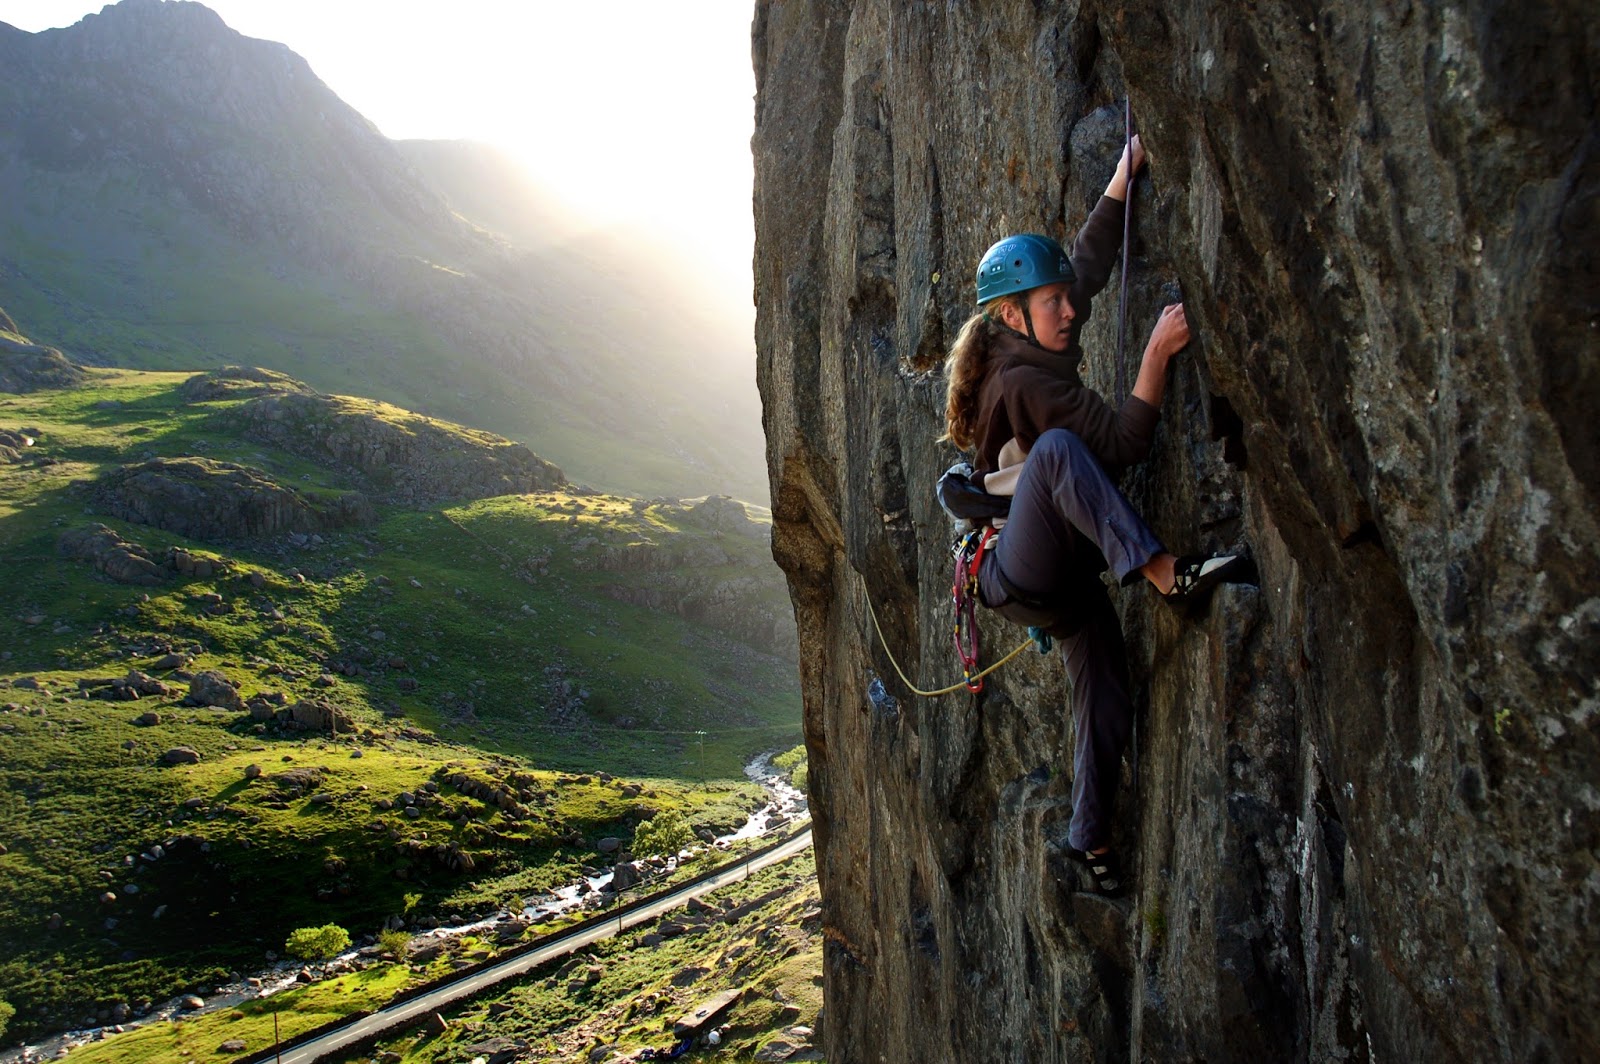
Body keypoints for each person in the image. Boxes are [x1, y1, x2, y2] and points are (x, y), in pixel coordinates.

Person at [940, 136, 1252, 895]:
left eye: (1062, 299)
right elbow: (1119, 447)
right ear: (1012, 315)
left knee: (1105, 688)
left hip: (1054, 570)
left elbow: (1082, 265)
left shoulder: (1029, 331)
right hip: (1018, 569)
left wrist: (1122, 175)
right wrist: (1156, 355)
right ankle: (1166, 573)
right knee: (1057, 454)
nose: (1070, 310)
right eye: (1053, 303)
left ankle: (1091, 841)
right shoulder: (1022, 379)